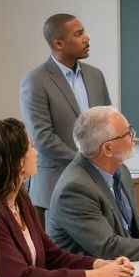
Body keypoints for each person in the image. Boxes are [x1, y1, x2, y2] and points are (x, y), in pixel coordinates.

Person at [0, 118, 133, 277]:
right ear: (16, 160)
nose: (35, 153)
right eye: (30, 148)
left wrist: (98, 264)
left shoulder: (21, 199)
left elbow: (53, 256)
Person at [48, 107, 139, 261]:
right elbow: (108, 246)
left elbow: (135, 222)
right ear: (108, 148)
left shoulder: (120, 169)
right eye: (128, 133)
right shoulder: (75, 189)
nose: (133, 137)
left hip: (124, 267)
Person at [20, 13, 112, 216]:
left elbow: (109, 124)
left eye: (84, 32)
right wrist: (87, 164)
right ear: (59, 43)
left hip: (98, 187)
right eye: (79, 34)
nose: (87, 38)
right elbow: (43, 138)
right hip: (55, 188)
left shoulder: (95, 75)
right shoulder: (35, 81)